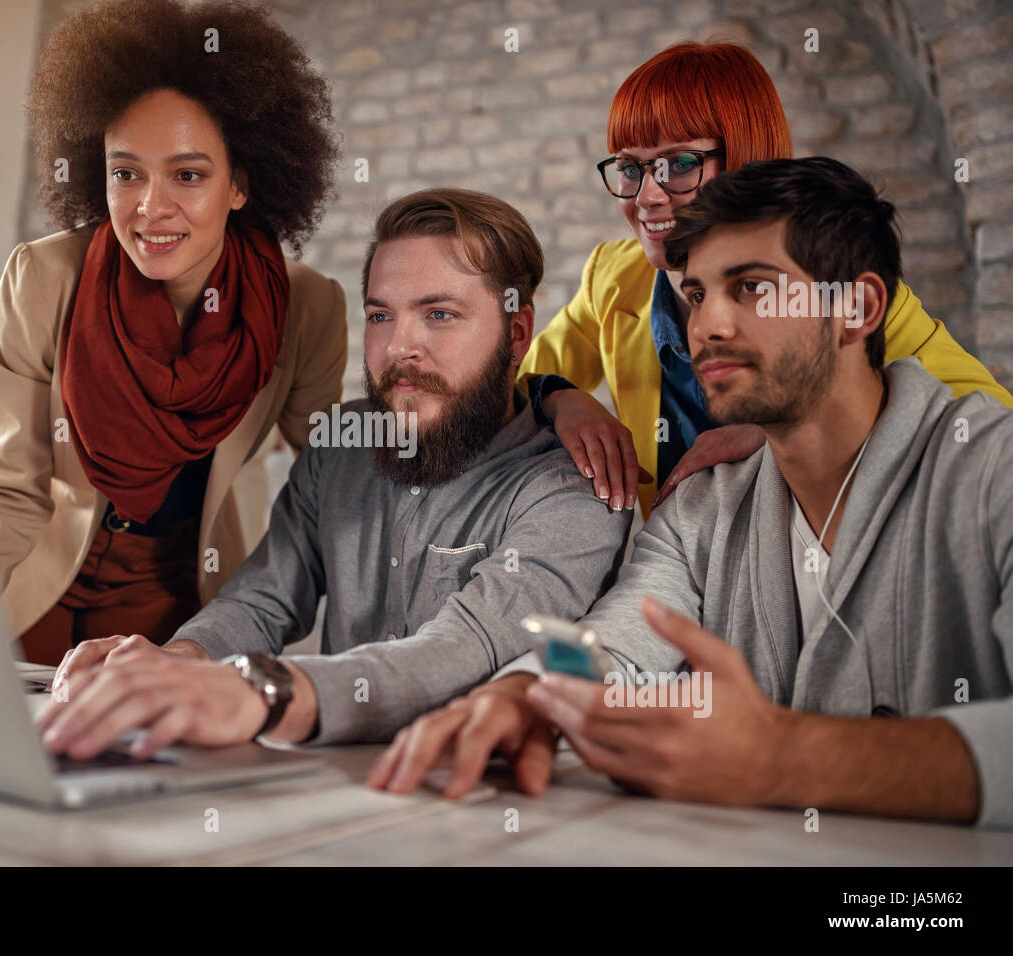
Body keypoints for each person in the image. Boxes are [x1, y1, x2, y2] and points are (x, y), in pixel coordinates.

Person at [371, 158, 1013, 830]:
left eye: (753, 289)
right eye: (699, 294)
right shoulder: (699, 507)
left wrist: (782, 757)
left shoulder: (991, 472)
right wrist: (526, 695)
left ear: (857, 308)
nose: (708, 326)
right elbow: (618, 645)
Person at [36, 189, 632, 759]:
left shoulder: (575, 488)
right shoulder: (340, 444)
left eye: (440, 315)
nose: (401, 347)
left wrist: (260, 693)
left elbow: (460, 648)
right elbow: (264, 600)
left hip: (484, 802)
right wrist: (183, 658)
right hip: (331, 778)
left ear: (518, 334)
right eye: (380, 315)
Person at [0, 0, 347, 665]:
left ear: (241, 185)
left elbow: (333, 483)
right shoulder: (43, 278)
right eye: (126, 173)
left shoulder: (306, 306)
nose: (150, 207)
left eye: (188, 175)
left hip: (183, 606)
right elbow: (4, 490)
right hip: (36, 587)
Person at [523, 41, 1013, 519]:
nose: (647, 195)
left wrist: (783, 424)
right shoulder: (613, 276)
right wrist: (557, 397)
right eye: (631, 168)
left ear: (744, 159)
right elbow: (504, 383)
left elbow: (988, 420)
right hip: (677, 572)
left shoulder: (836, 278)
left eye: (679, 164)